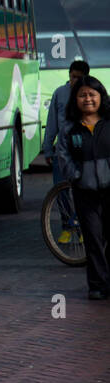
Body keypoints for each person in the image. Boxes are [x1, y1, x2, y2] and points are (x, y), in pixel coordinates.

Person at [53, 74, 110, 300]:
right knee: (93, 239)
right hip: (85, 193)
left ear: (100, 97)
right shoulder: (70, 128)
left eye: (92, 94)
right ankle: (97, 285)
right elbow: (63, 155)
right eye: (82, 95)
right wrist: (75, 176)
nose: (87, 99)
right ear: (75, 99)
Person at [41, 59, 90, 241]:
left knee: (83, 189)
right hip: (62, 149)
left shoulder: (90, 95)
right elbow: (52, 122)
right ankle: (67, 227)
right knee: (61, 189)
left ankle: (83, 227)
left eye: (78, 78)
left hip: (84, 149)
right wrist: (47, 149)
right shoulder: (59, 93)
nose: (74, 81)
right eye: (72, 77)